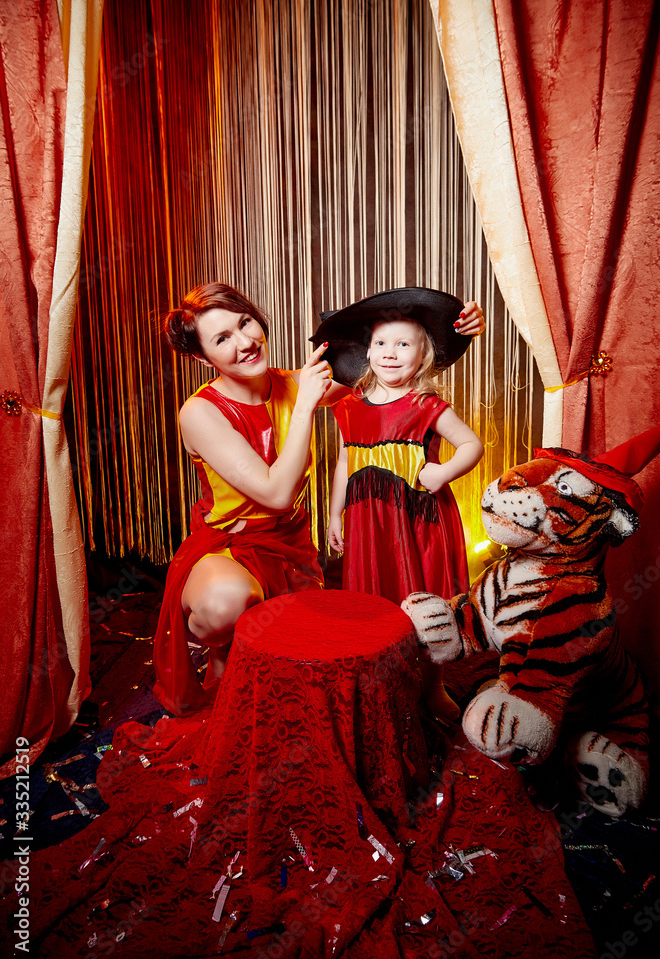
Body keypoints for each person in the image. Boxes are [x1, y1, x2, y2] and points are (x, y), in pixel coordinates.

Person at [154, 283, 484, 715]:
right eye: (222, 339)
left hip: (292, 549)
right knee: (225, 606)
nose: (245, 343)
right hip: (229, 546)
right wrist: (307, 405)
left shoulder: (294, 384)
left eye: (245, 323)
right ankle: (220, 647)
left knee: (315, 663)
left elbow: (389, 383)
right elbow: (276, 494)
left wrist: (456, 330)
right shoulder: (200, 412)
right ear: (202, 357)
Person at [314, 288, 484, 718]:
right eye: (381, 343)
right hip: (369, 525)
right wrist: (335, 513)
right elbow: (344, 462)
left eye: (403, 344)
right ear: (367, 351)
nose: (390, 353)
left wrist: (443, 473)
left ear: (423, 355)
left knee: (422, 606)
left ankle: (431, 687)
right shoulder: (349, 407)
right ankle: (383, 687)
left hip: (418, 523)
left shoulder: (426, 405)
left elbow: (471, 444)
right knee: (375, 604)